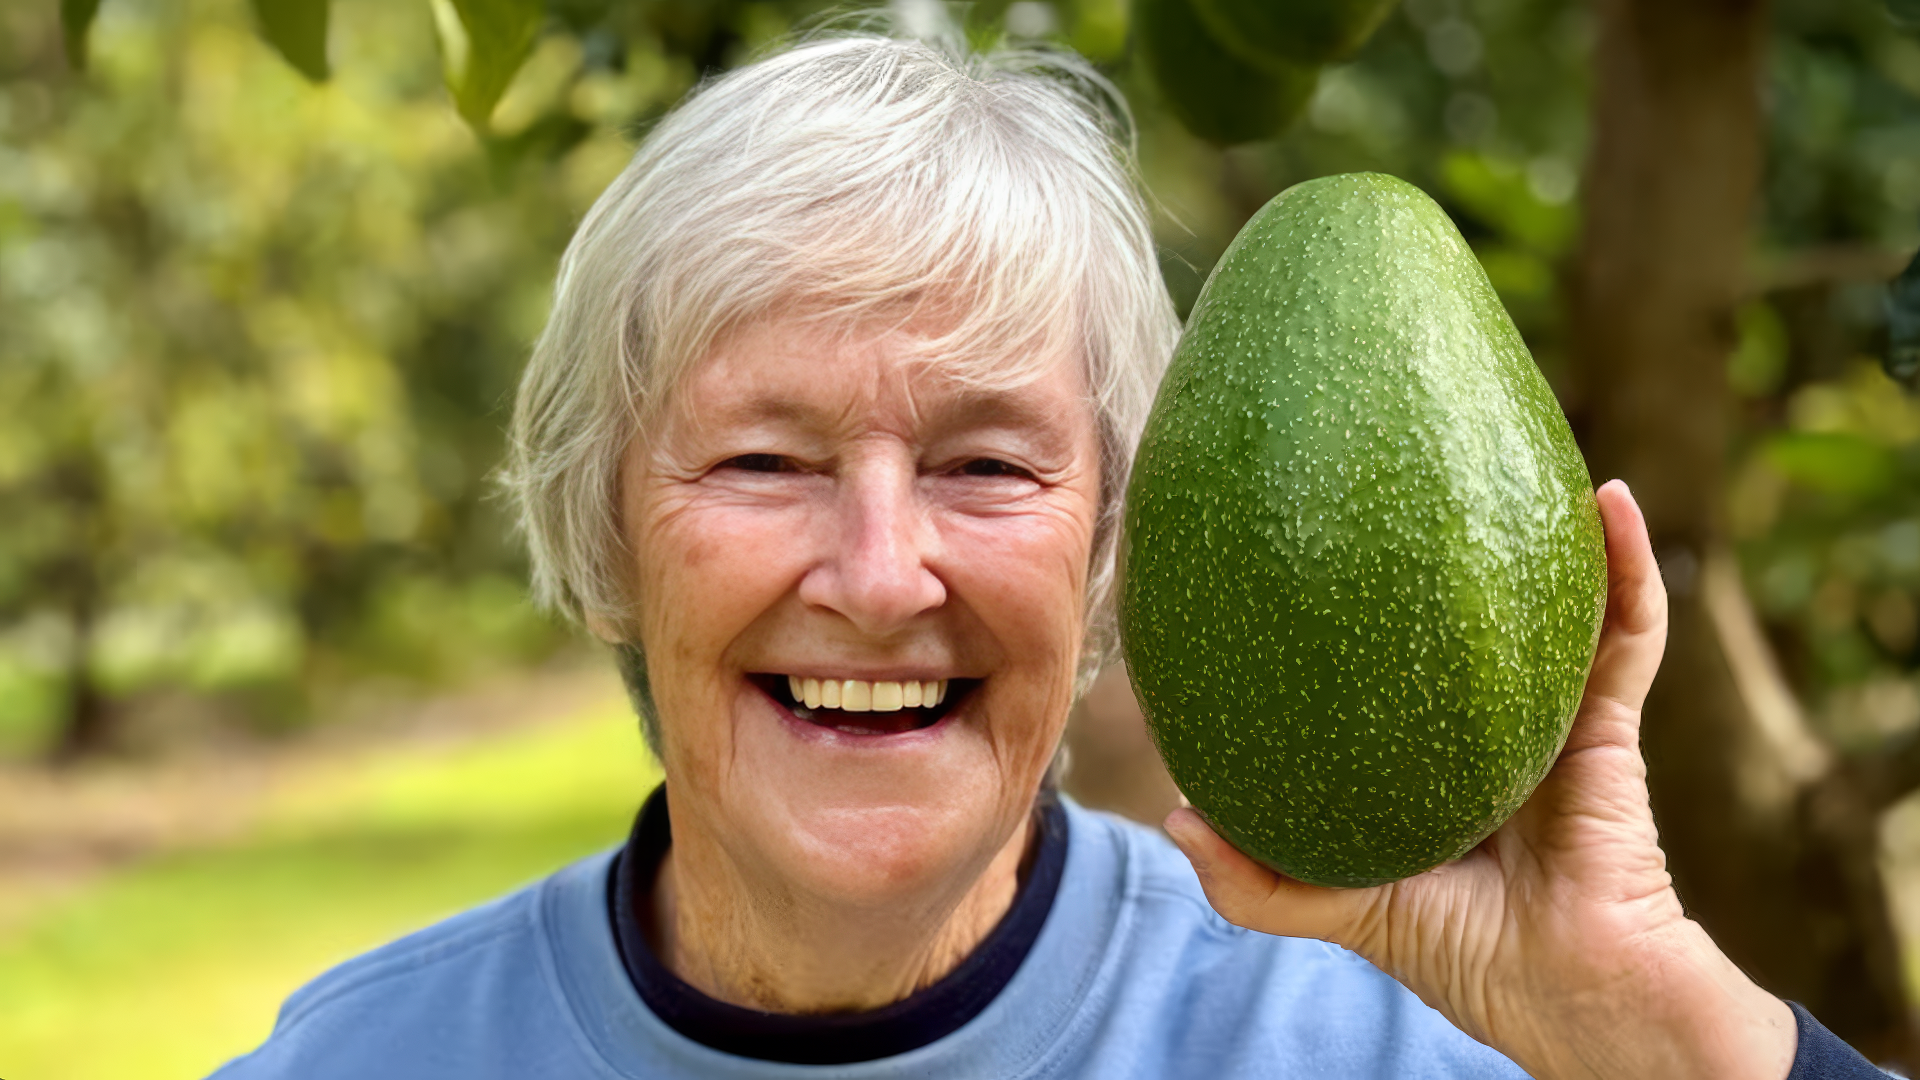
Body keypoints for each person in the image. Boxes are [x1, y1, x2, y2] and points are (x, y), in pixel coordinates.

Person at [211, 27, 1890, 1080]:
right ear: (605, 533)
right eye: (766, 459)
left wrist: (1654, 1032)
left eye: (985, 463)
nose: (879, 575)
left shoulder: (1387, 1045)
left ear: (1118, 546)